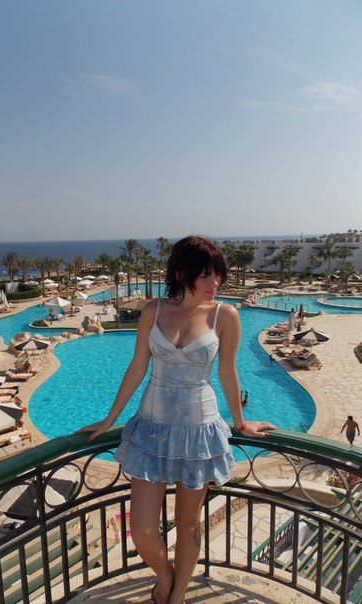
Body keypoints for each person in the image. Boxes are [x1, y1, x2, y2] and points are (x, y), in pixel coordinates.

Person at [77, 235, 276, 604]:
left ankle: (177, 594)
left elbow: (228, 373)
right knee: (142, 530)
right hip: (150, 429)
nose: (215, 282)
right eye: (206, 274)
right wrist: (109, 419)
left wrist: (241, 422)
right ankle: (166, 575)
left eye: (218, 274)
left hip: (199, 430)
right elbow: (137, 367)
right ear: (182, 273)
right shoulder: (153, 311)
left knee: (189, 524)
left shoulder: (225, 315)